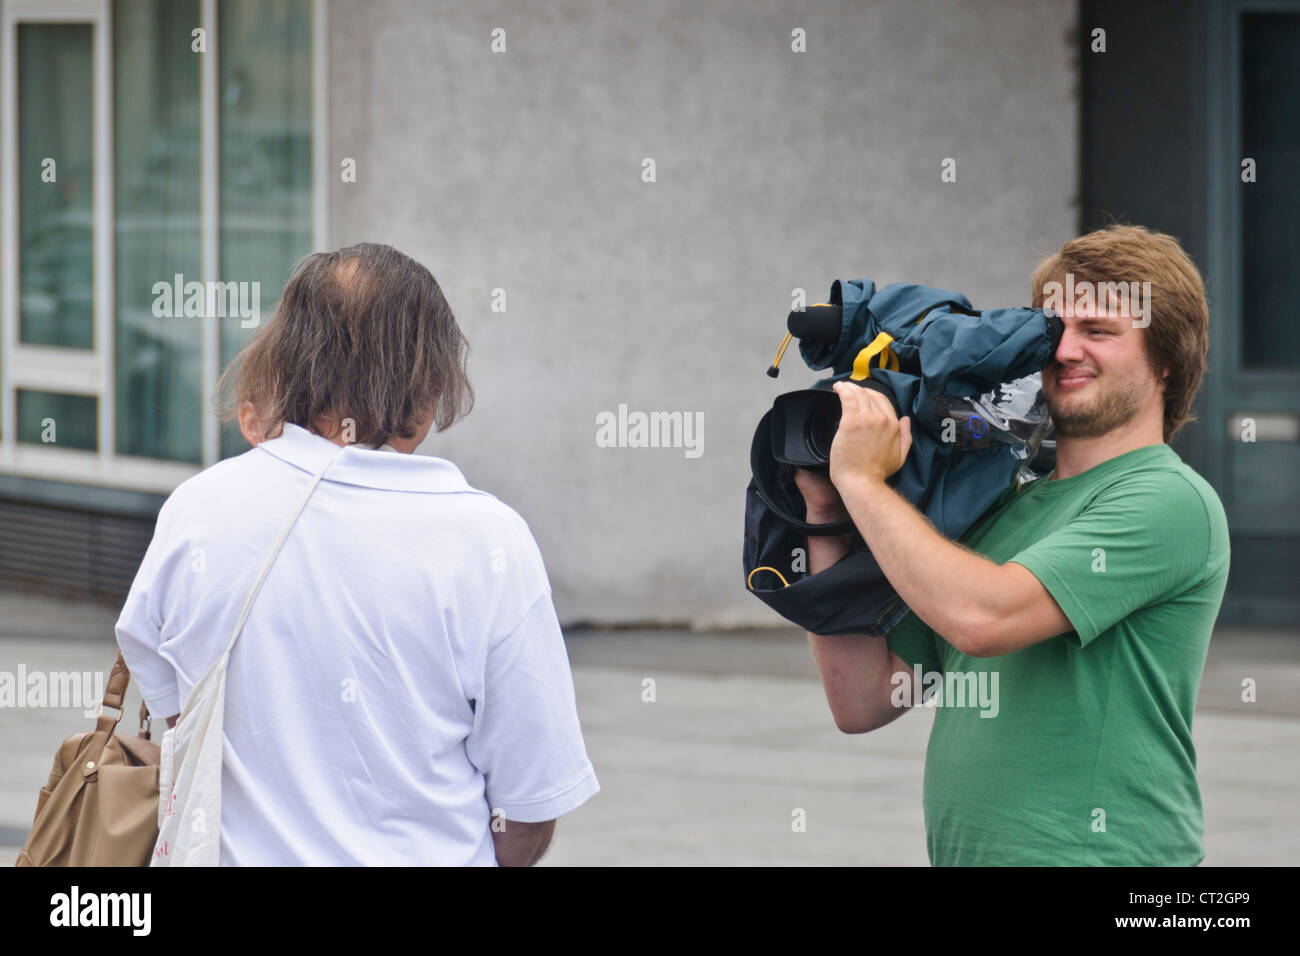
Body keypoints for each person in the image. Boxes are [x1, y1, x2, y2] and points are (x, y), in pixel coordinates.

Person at [115, 242, 598, 866]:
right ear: (426, 398)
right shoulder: (487, 542)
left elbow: (174, 710)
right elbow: (529, 804)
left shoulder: (198, 508)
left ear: (284, 364)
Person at [796, 224, 1229, 865]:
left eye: (1099, 332)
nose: (1065, 350)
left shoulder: (1168, 498)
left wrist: (864, 481)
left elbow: (982, 617)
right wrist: (828, 510)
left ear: (1166, 361)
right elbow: (863, 699)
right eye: (1053, 329)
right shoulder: (1003, 506)